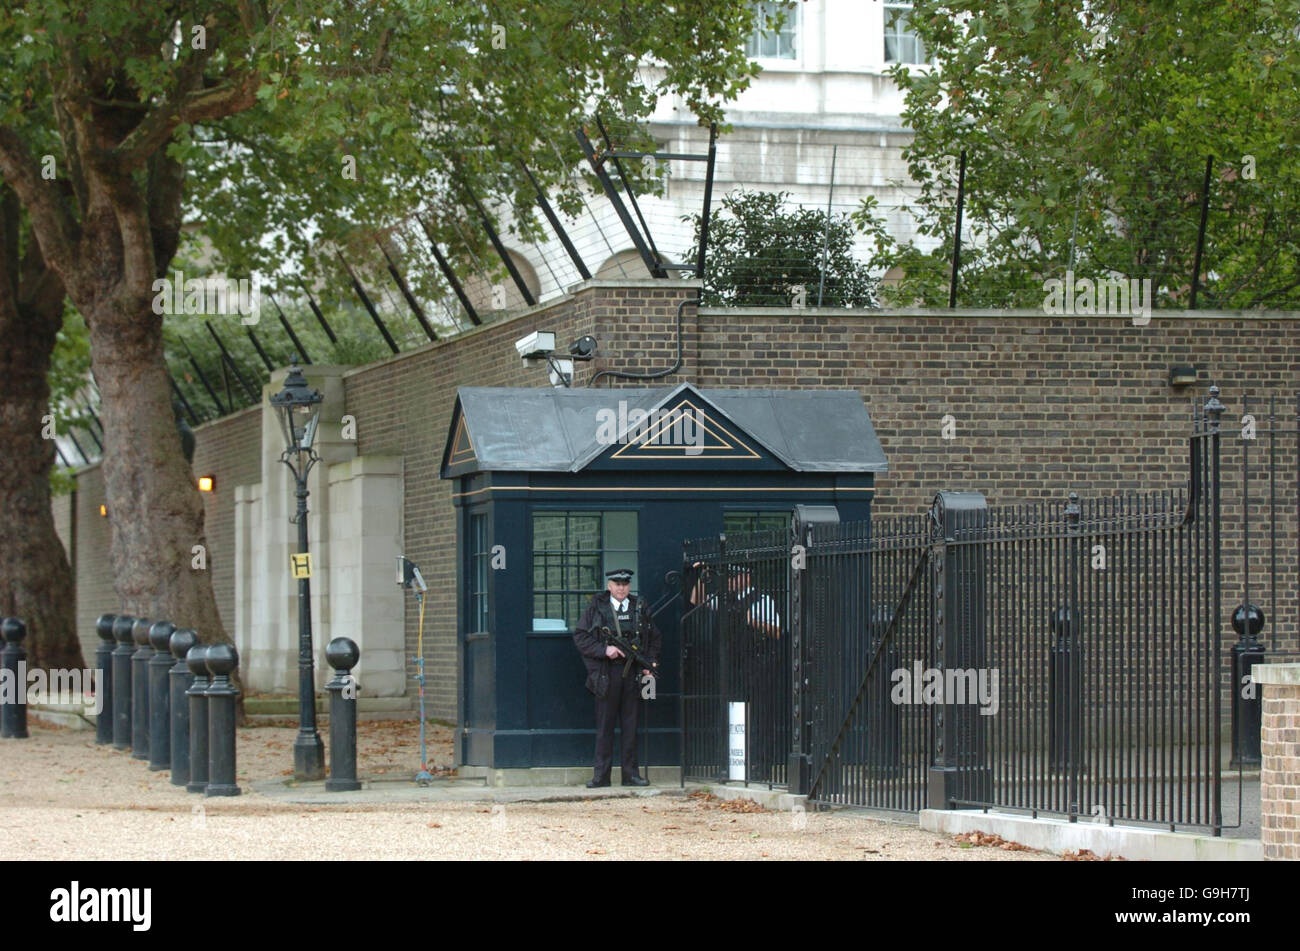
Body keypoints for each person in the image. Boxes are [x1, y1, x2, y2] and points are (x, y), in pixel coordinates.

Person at [573, 568, 662, 788]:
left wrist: (649, 663)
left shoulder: (639, 607)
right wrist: (605, 650)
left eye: (625, 584)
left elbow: (654, 637)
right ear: (609, 586)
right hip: (607, 673)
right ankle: (601, 776)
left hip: (633, 674)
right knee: (605, 725)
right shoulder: (597, 607)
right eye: (617, 584)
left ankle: (630, 775)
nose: (621, 588)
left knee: (631, 726)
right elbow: (581, 637)